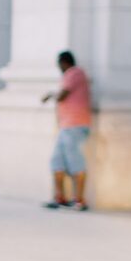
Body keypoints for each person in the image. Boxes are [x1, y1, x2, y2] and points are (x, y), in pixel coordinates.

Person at [41, 50, 92, 210]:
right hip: (66, 126)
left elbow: (62, 95)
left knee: (75, 161)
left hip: (75, 125)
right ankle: (60, 197)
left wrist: (50, 95)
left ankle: (80, 200)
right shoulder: (72, 74)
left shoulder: (75, 73)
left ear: (64, 62)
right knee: (57, 161)